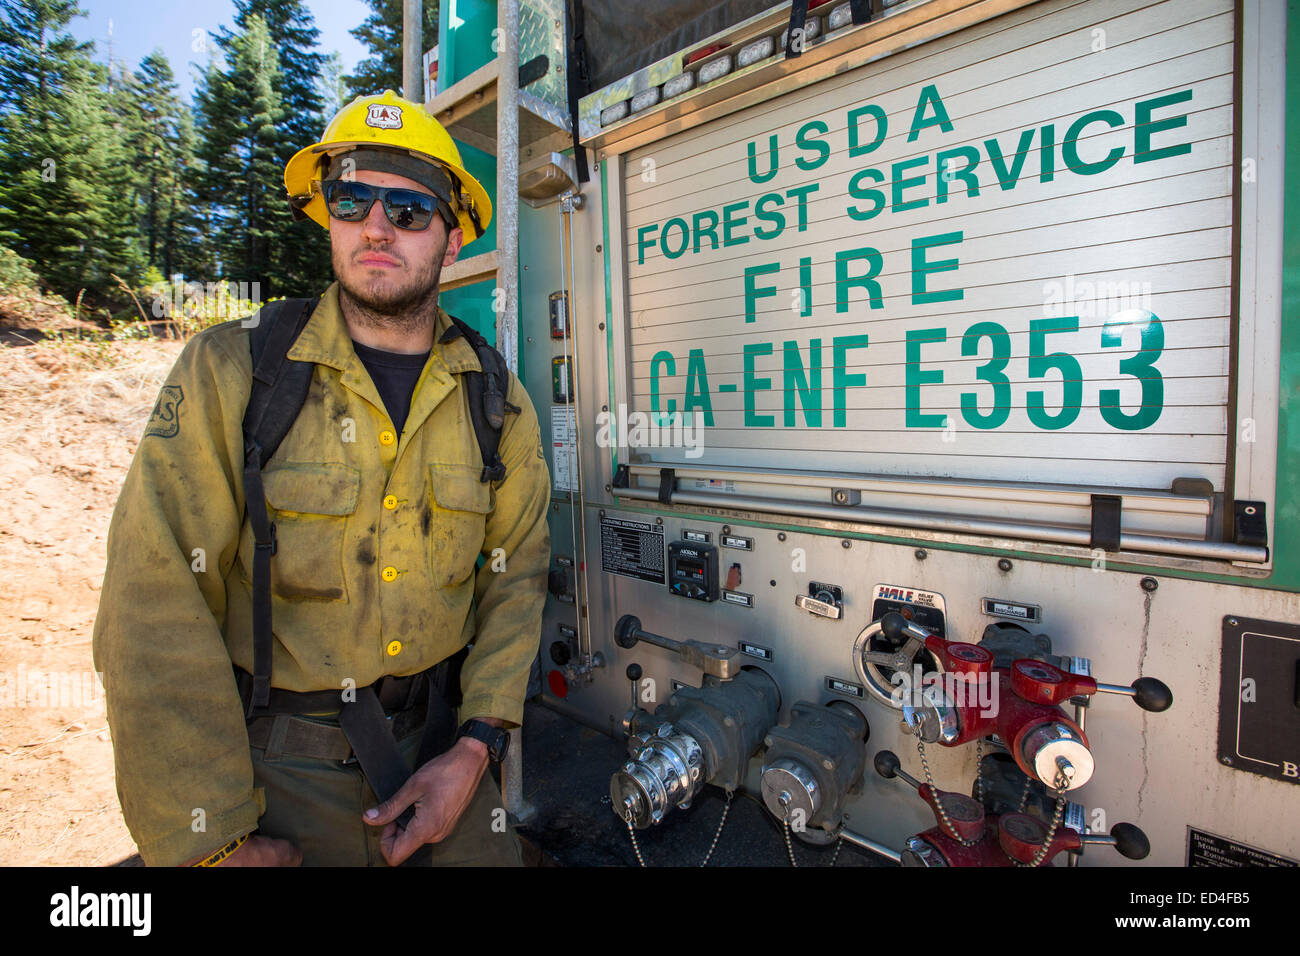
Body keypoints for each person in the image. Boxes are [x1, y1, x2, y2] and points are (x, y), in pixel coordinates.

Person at [92, 90, 551, 867]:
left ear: (451, 233)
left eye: (408, 208)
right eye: (352, 199)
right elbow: (154, 596)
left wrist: (476, 747)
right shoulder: (234, 370)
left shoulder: (496, 397)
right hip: (275, 774)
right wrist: (210, 837)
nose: (377, 225)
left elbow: (518, 574)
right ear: (327, 215)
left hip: (444, 761)